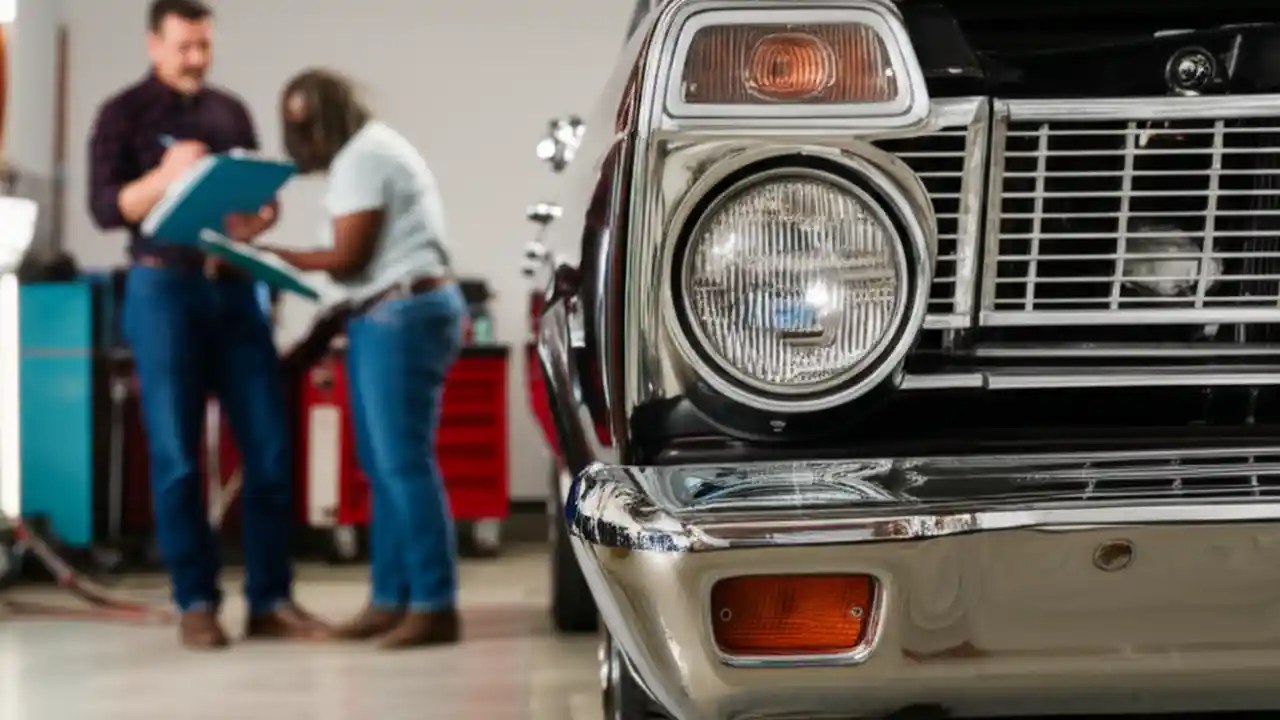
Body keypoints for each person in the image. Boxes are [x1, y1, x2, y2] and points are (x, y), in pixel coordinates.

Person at [86, 0, 329, 649]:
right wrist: (166, 177)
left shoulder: (229, 111)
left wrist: (260, 215)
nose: (197, 58)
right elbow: (106, 208)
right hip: (162, 288)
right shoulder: (123, 114)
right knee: (176, 457)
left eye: (204, 45)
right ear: (154, 44)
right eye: (185, 46)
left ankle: (270, 600)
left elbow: (255, 201)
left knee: (271, 450)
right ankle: (196, 601)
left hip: (234, 286)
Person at [229, 69, 465, 650]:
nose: (299, 139)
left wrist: (261, 254)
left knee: (402, 463)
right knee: (381, 467)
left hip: (401, 313)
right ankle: (390, 600)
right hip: (381, 314)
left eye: (304, 124)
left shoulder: (366, 156)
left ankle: (434, 605)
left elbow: (348, 258)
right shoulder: (362, 155)